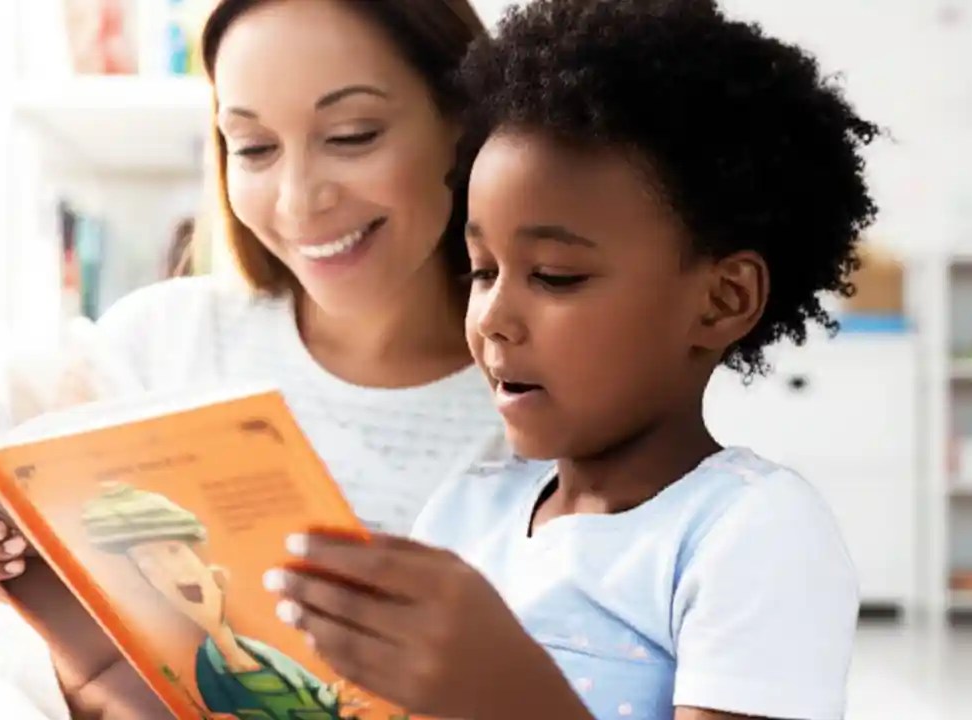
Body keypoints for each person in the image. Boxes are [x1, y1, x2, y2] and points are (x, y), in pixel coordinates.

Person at [266, 2, 875, 719]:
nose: (492, 317)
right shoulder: (465, 510)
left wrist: (508, 689)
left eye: (555, 276)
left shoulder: (750, 532)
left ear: (721, 300)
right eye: (482, 270)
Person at [0, 1, 502, 717]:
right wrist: (26, 580)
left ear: (460, 120)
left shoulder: (540, 400)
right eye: (255, 148)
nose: (298, 202)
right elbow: (11, 681)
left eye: (352, 136)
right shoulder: (160, 343)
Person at [81, 482, 347, 719]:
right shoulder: (210, 669)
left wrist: (339, 698)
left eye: (174, 551)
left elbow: (317, 696)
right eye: (147, 563)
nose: (172, 571)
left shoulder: (259, 650)